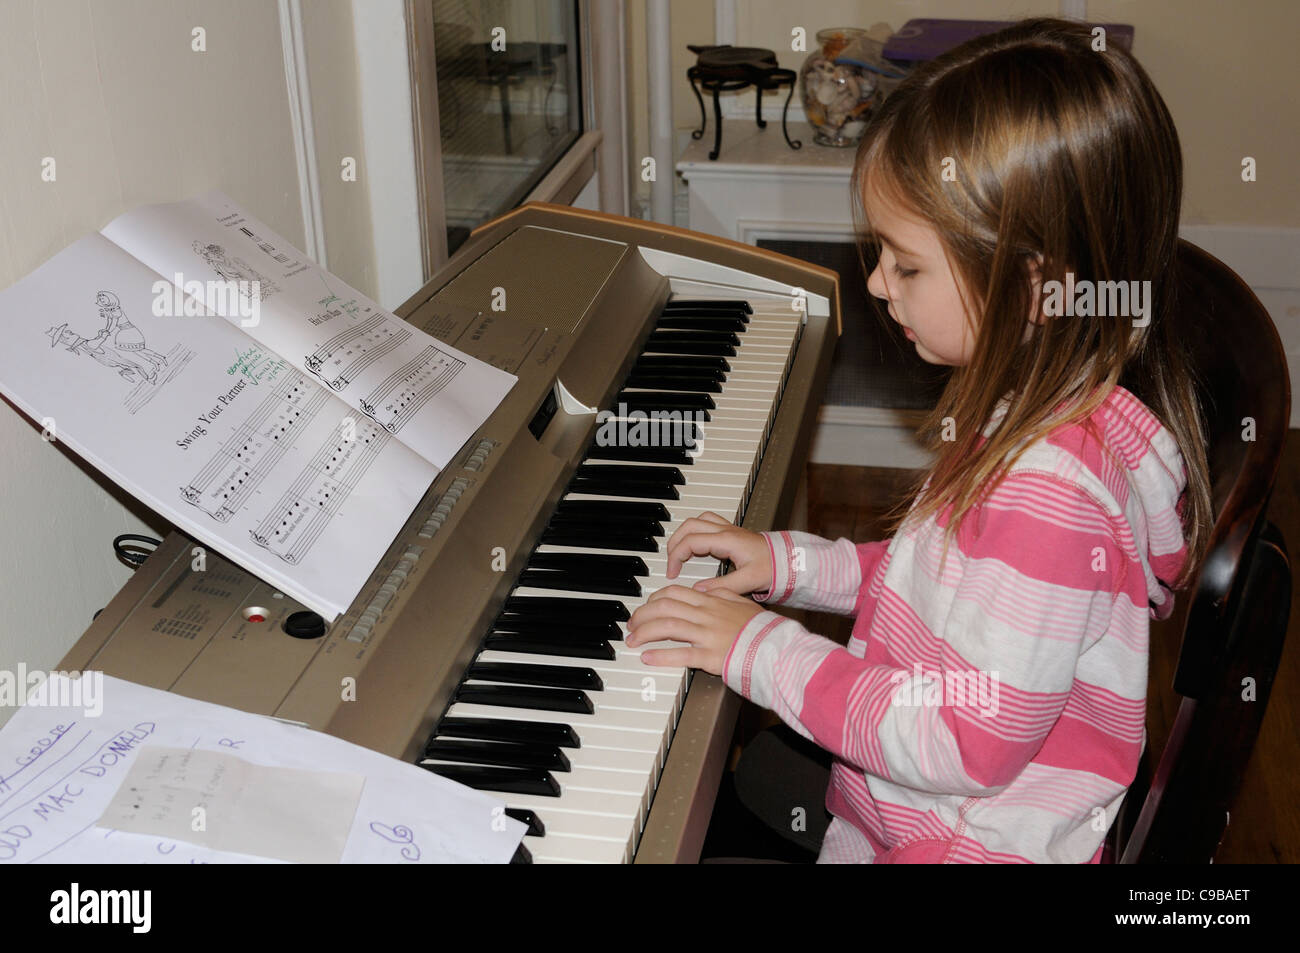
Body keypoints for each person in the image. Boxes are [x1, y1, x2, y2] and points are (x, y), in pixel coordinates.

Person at [625, 17, 1212, 864]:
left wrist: (755, 646)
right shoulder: (1041, 409)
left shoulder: (1049, 493)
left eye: (906, 264)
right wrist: (789, 565)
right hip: (916, 809)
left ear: (1031, 281)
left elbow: (961, 743)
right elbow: (930, 585)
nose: (875, 283)